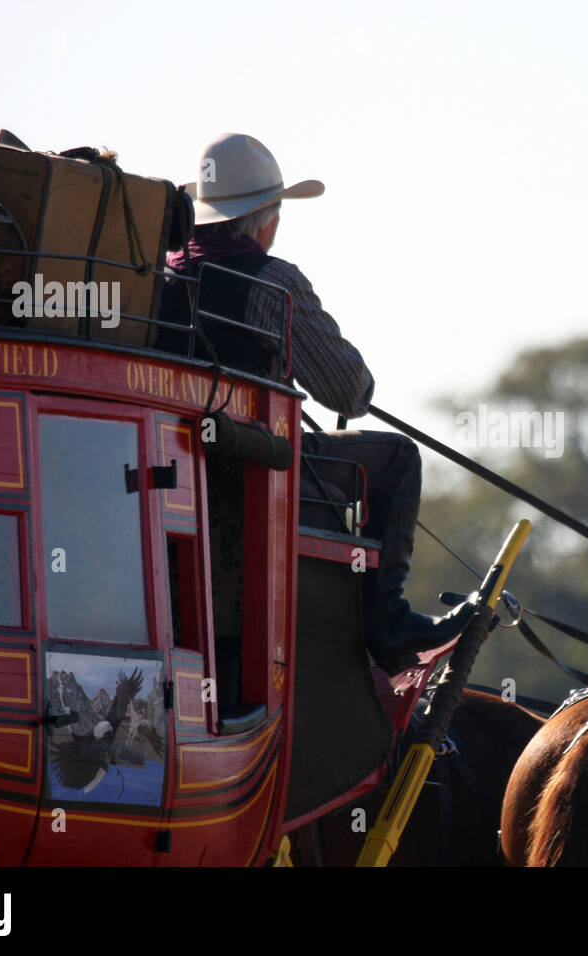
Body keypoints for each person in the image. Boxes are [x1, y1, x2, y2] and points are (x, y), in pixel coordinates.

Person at [161, 132, 474, 674]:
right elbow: (347, 392)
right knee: (399, 458)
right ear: (266, 218)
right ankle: (388, 622)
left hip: (175, 459)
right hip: (254, 461)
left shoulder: (160, 274)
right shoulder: (274, 283)